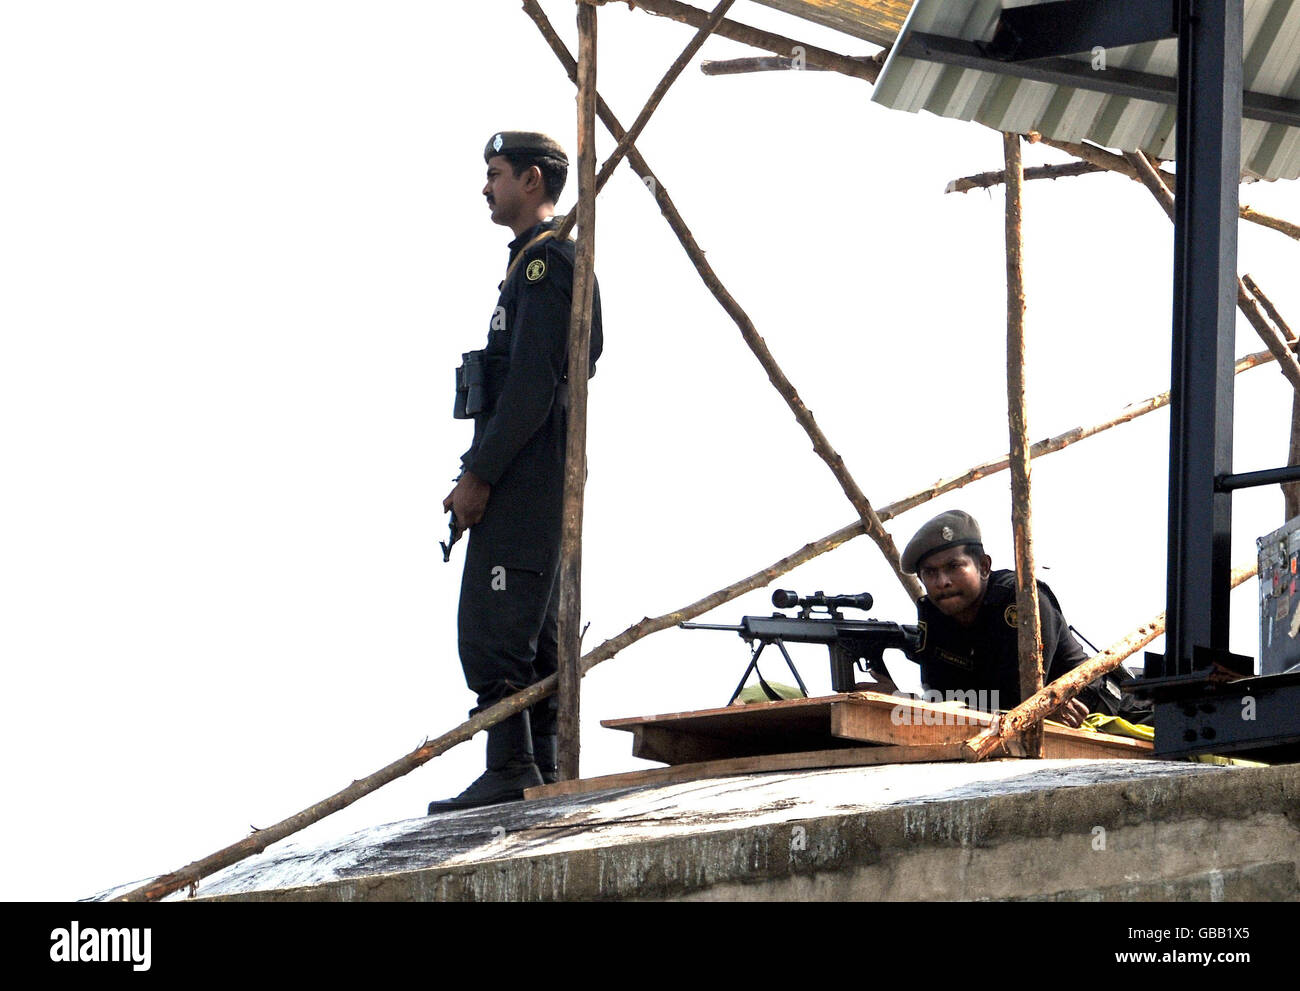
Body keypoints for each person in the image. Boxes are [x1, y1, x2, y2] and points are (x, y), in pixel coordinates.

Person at [428, 131, 603, 813]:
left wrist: (481, 474)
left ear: (532, 181)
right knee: (532, 630)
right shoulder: (536, 264)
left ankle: (513, 764)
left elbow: (532, 385)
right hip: (533, 468)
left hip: (528, 473)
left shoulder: (547, 264)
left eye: (496, 174)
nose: (486, 187)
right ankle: (538, 766)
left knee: (497, 622)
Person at [900, 509, 1129, 727]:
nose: (942, 581)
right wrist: (899, 697)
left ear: (984, 566)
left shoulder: (1020, 599)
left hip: (1107, 711)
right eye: (930, 573)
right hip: (1003, 727)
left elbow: (1021, 700)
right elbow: (939, 699)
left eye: (954, 567)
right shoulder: (932, 613)